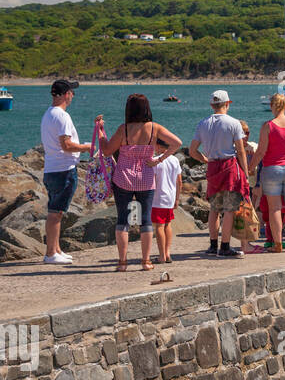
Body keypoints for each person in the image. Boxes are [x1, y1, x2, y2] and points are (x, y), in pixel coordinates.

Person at [100, 94, 182, 272]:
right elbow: (177, 143)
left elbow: (107, 151)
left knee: (123, 220)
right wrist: (159, 160)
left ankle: (122, 262)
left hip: (123, 178)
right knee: (146, 221)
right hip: (145, 178)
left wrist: (100, 133)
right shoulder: (154, 128)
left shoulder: (124, 129)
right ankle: (145, 261)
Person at [188, 90, 249, 258]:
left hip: (213, 167)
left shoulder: (203, 123)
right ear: (227, 103)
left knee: (214, 209)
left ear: (212, 105)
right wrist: (245, 171)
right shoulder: (233, 123)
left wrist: (205, 159)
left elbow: (192, 151)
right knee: (229, 209)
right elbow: (240, 150)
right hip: (229, 167)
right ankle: (225, 246)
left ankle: (213, 245)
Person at [40, 79, 92, 264]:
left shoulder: (48, 114)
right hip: (63, 169)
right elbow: (67, 145)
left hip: (52, 168)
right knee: (55, 213)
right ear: (66, 94)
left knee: (57, 211)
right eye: (71, 92)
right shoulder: (62, 116)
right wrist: (88, 147)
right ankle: (50, 253)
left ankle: (56, 249)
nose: (73, 96)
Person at [250, 92, 285, 253]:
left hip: (272, 169)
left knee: (274, 208)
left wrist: (251, 167)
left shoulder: (268, 126)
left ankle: (278, 244)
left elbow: (261, 152)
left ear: (271, 106)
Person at [151, 148, 182, 264]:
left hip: (158, 198)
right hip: (170, 197)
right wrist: (177, 198)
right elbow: (179, 181)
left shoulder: (155, 161)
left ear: (158, 146)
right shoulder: (175, 160)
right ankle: (167, 253)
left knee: (159, 226)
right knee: (168, 224)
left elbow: (153, 181)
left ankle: (161, 256)